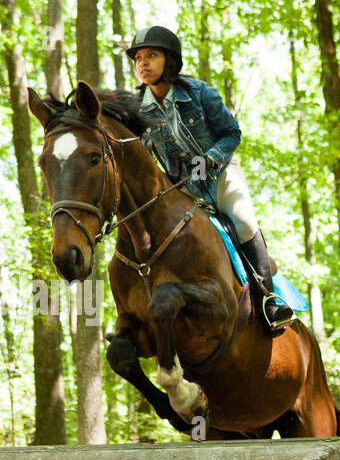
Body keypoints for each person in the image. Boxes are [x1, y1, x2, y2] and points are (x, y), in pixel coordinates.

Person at [125, 25, 294, 330]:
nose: (143, 63)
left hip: (221, 176)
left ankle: (271, 300)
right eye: (137, 58)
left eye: (151, 55)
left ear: (170, 61)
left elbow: (233, 133)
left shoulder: (201, 93)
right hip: (182, 189)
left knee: (243, 219)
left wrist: (211, 158)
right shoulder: (137, 109)